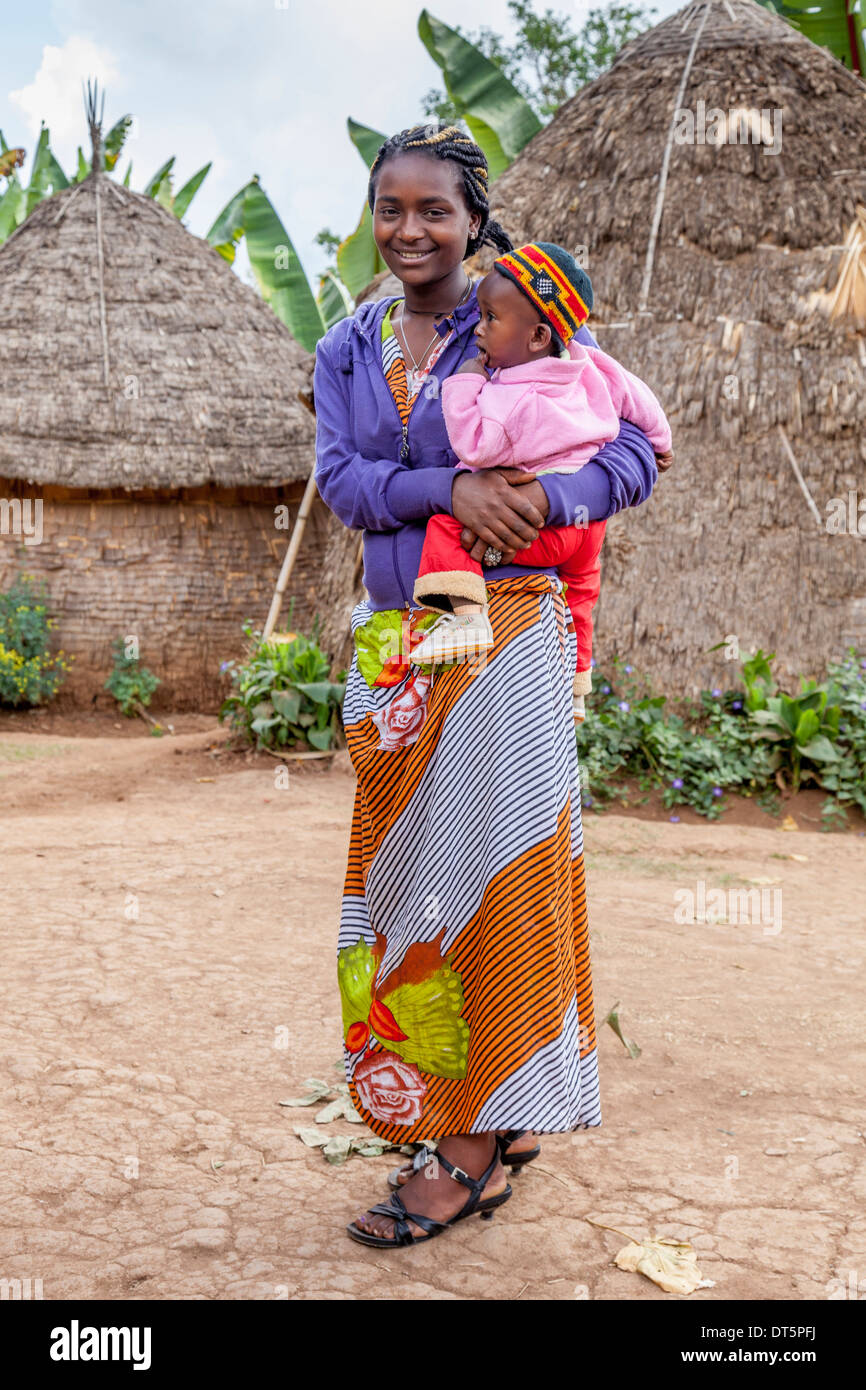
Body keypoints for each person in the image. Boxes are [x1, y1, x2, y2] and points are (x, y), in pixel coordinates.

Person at [313, 121, 672, 1248]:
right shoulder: (345, 345)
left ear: (474, 218)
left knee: (498, 879)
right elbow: (341, 481)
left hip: (511, 636)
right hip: (402, 641)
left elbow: (638, 447)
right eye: (390, 209)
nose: (408, 230)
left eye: (432, 210)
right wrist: (450, 493)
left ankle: (471, 1147)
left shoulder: (524, 316)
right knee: (411, 879)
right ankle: (489, 1109)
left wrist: (560, 502)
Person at [409, 241, 673, 724]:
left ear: (535, 338)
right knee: (582, 595)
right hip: (588, 529)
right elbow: (641, 401)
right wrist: (660, 443)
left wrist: (466, 381)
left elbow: (474, 448)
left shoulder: (511, 400)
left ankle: (466, 621)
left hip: (540, 528)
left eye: (490, 318)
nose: (480, 329)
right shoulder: (590, 365)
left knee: (449, 527)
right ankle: (577, 685)